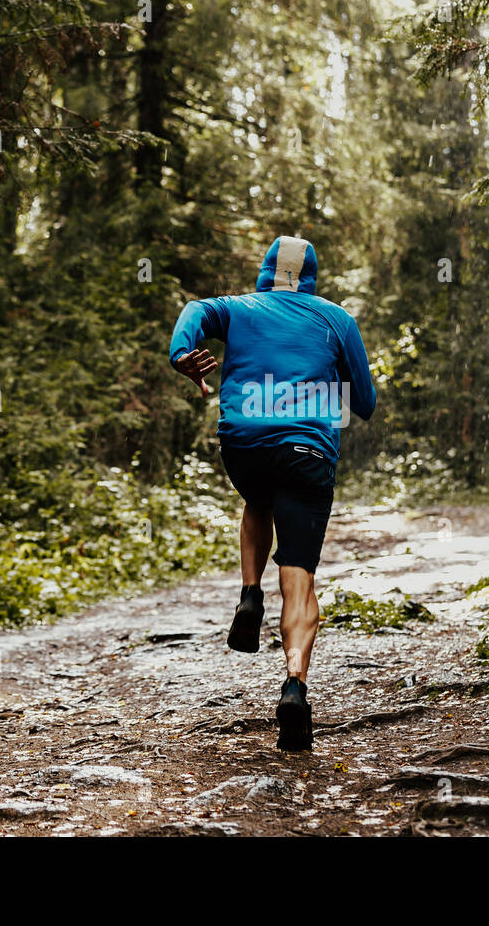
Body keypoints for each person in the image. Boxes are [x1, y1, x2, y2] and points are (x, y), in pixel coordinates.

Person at [169, 235, 376, 751]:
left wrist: (182, 355)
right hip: (306, 456)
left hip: (244, 446)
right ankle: (295, 685)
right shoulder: (336, 319)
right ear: (313, 274)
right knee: (300, 574)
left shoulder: (236, 308)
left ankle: (248, 594)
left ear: (264, 269)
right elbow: (365, 403)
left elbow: (194, 308)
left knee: (257, 498)